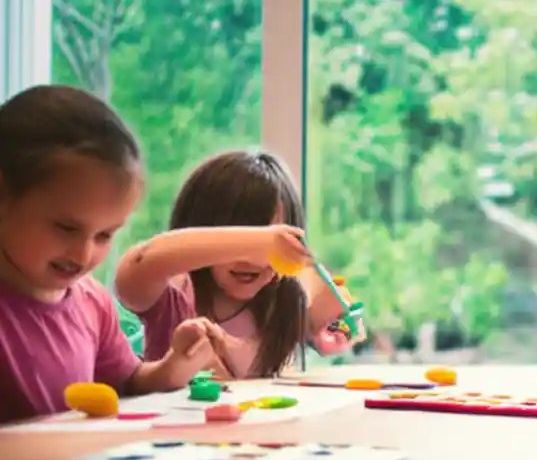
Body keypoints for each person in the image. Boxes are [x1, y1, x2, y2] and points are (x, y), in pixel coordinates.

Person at [0, 85, 218, 422]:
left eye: (104, 235)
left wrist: (175, 366)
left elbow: (127, 382)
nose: (83, 253)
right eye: (65, 227)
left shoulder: (92, 302)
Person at [115, 150, 354, 379]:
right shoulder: (174, 294)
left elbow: (349, 327)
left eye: (271, 241)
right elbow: (141, 264)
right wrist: (262, 242)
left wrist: (335, 319)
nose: (250, 258)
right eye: (239, 240)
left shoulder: (282, 300)